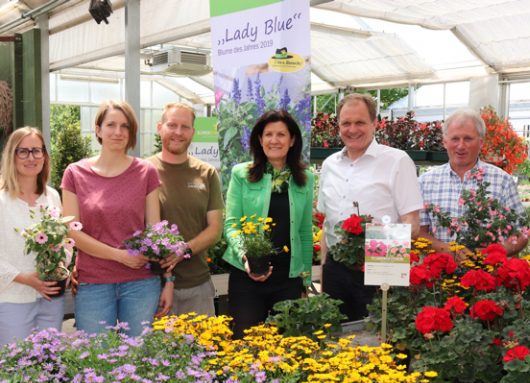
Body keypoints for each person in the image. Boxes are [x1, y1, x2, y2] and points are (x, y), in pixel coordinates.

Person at [61, 100, 167, 336]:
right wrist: (120, 256)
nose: (118, 132)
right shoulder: (75, 174)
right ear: (98, 130)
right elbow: (73, 232)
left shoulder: (145, 172)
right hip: (94, 284)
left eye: (125, 126)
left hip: (141, 282)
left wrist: (166, 277)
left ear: (131, 133)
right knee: (97, 362)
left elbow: (155, 229)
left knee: (135, 359)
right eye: (111, 125)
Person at [317, 93, 422, 321]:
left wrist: (381, 254)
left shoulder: (397, 161)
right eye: (346, 123)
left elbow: (411, 223)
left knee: (381, 340)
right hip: (336, 270)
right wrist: (325, 273)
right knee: (337, 342)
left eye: (360, 122)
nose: (352, 129)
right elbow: (327, 223)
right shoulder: (329, 165)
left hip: (381, 266)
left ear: (375, 123)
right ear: (338, 125)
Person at [223, 109, 314, 339]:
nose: (274, 140)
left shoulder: (305, 178)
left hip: (288, 280)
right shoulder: (241, 174)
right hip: (246, 278)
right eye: (268, 134)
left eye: (281, 134)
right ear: (260, 140)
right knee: (245, 344)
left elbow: (304, 231)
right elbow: (232, 224)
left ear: (292, 140)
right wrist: (245, 256)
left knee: (286, 349)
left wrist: (306, 280)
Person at [0, 127, 66, 347]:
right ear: (11, 156)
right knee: (15, 373)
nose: (31, 158)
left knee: (50, 371)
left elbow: (63, 242)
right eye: (23, 151)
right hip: (10, 300)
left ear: (44, 155)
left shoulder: (51, 196)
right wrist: (26, 279)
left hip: (51, 299)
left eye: (36, 151)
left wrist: (59, 266)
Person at [147, 102, 224, 317]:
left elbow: (215, 229)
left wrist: (185, 249)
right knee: (157, 350)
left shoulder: (207, 173)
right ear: (159, 127)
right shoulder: (144, 171)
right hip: (151, 287)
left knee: (202, 349)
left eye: (185, 127)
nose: (178, 133)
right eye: (172, 125)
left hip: (197, 285)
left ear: (193, 132)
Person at [419, 108, 527, 256]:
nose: (461, 146)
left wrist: (491, 254)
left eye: (468, 139)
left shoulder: (502, 181)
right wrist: (446, 250)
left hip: (487, 274)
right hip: (440, 274)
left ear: (481, 142)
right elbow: (419, 232)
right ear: (445, 142)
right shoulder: (425, 182)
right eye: (455, 139)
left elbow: (521, 232)